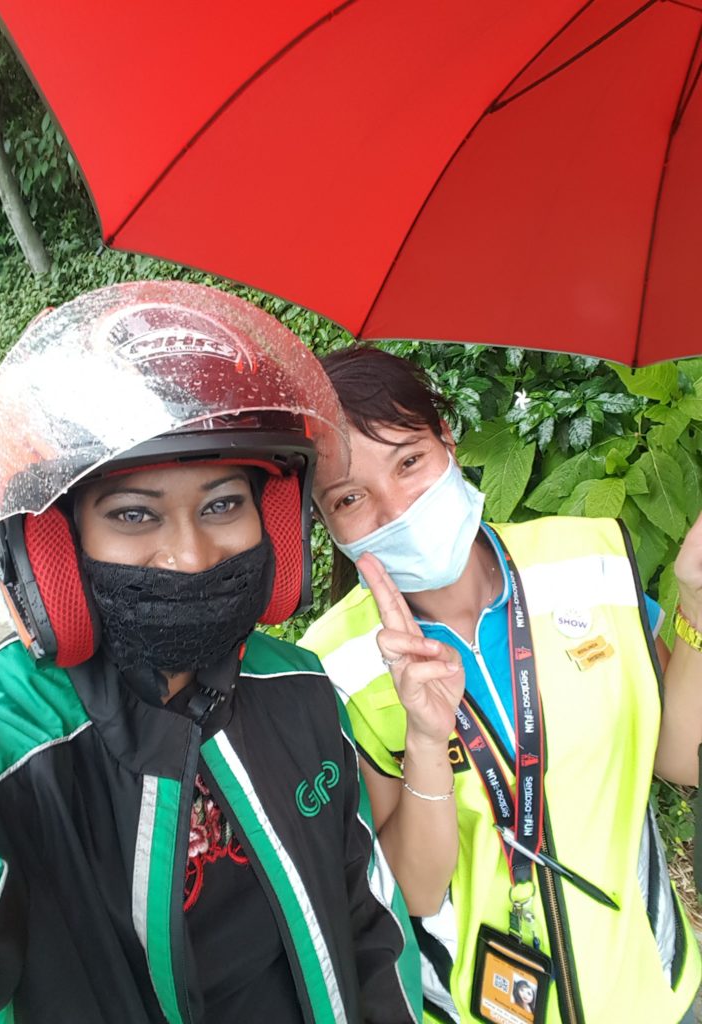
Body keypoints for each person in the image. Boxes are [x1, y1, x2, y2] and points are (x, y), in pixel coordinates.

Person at [0, 285, 423, 1024]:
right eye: (135, 514)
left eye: (223, 504)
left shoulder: (300, 692)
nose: (191, 555)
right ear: (54, 546)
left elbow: (370, 928)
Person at [300, 345, 702, 1024]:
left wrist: (695, 605)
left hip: (655, 991)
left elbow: (680, 759)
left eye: (408, 462)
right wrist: (427, 739)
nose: (394, 509)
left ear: (448, 441)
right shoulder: (335, 667)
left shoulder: (590, 556)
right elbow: (413, 893)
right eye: (349, 498)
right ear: (325, 521)